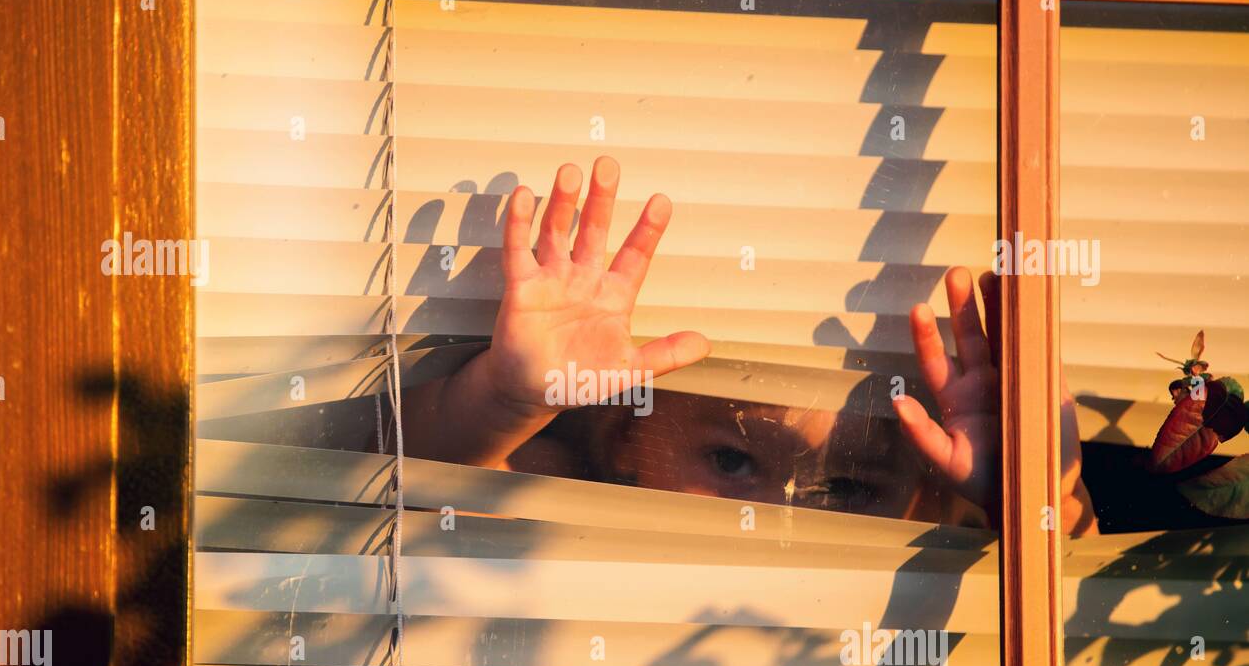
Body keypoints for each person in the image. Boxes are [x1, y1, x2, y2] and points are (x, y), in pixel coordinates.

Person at [402, 156, 1097, 535]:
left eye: (851, 487)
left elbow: (1073, 652)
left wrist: (1035, 506)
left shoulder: (925, 574)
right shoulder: (580, 526)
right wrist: (501, 404)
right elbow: (414, 491)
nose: (783, 516)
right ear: (623, 442)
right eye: (732, 458)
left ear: (922, 502)